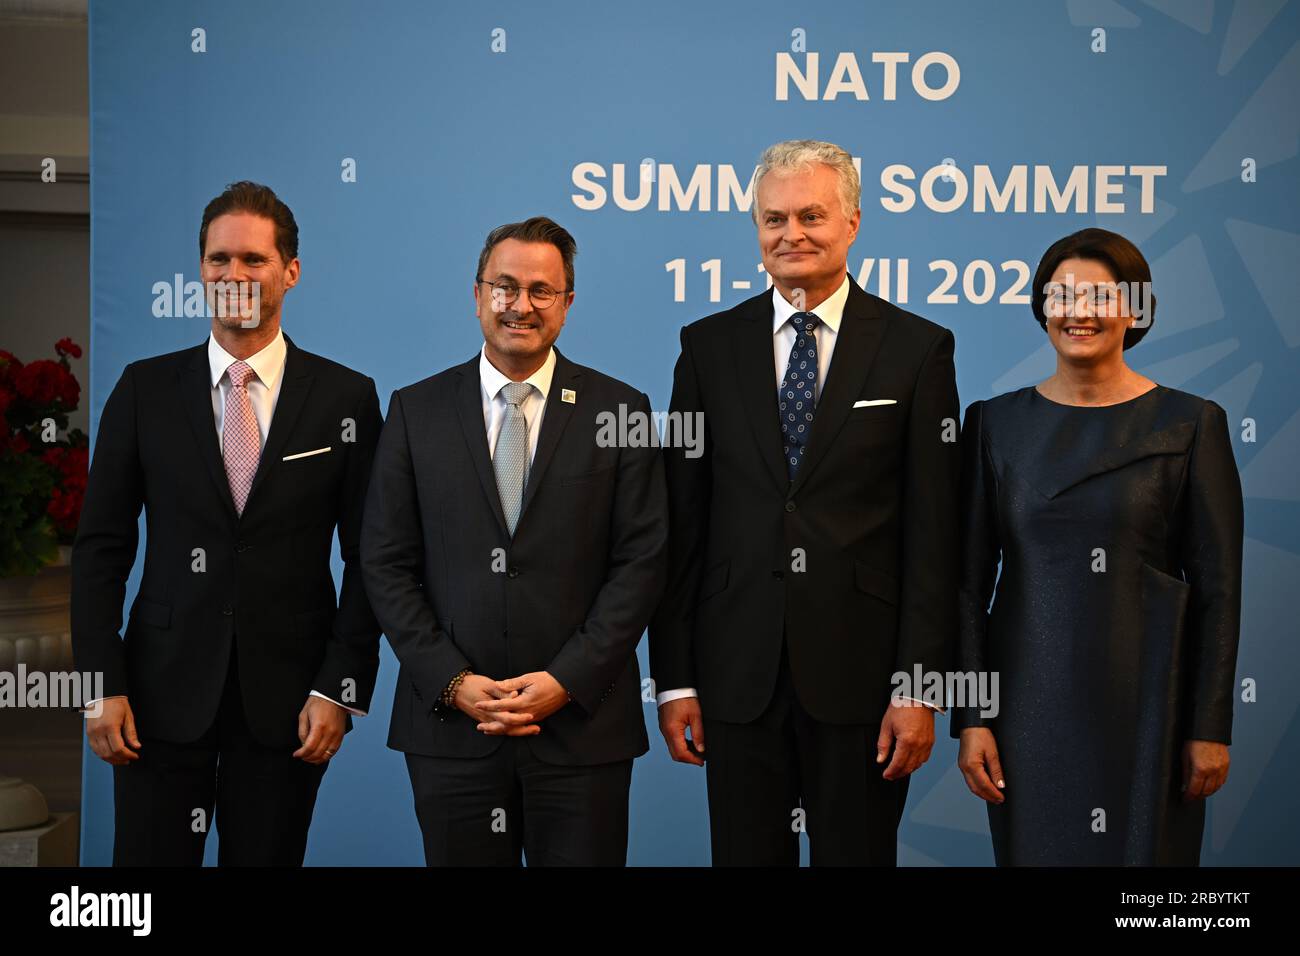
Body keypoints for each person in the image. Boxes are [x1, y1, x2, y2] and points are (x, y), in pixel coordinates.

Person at [650, 140, 961, 865]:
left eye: (812, 215)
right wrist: (675, 681)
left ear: (852, 222)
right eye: (773, 219)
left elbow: (934, 533)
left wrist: (921, 686)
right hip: (735, 679)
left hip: (865, 680)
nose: (791, 234)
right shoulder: (706, 348)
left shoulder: (918, 349)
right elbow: (681, 527)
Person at [73, 181, 384, 865]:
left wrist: (341, 684)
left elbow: (372, 557)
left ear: (290, 272)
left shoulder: (346, 396)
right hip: (155, 698)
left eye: (253, 260)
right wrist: (99, 683)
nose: (233, 276)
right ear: (200, 270)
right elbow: (100, 551)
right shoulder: (143, 390)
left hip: (289, 705)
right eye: (218, 260)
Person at [361, 216, 667, 866]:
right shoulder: (415, 411)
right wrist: (452, 680)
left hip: (583, 730)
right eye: (504, 287)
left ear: (567, 304)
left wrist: (565, 679)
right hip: (451, 730)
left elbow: (642, 562)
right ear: (477, 295)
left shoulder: (623, 410)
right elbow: (385, 563)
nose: (520, 305)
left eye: (540, 290)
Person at [953, 227, 1243, 865]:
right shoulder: (992, 423)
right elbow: (968, 585)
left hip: (1153, 706)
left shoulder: (1194, 423)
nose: (1077, 311)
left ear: (1134, 308)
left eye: (1099, 295)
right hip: (1029, 705)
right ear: (1042, 307)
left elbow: (1220, 591)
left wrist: (1208, 727)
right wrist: (973, 717)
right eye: (1061, 295)